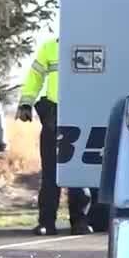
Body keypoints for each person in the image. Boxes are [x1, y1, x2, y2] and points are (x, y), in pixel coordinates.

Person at [16, 35, 92, 236]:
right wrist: (26, 103)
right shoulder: (49, 48)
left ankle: (80, 222)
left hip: (80, 116)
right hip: (54, 117)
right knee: (51, 174)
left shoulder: (89, 45)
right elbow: (35, 77)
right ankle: (47, 223)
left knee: (78, 171)